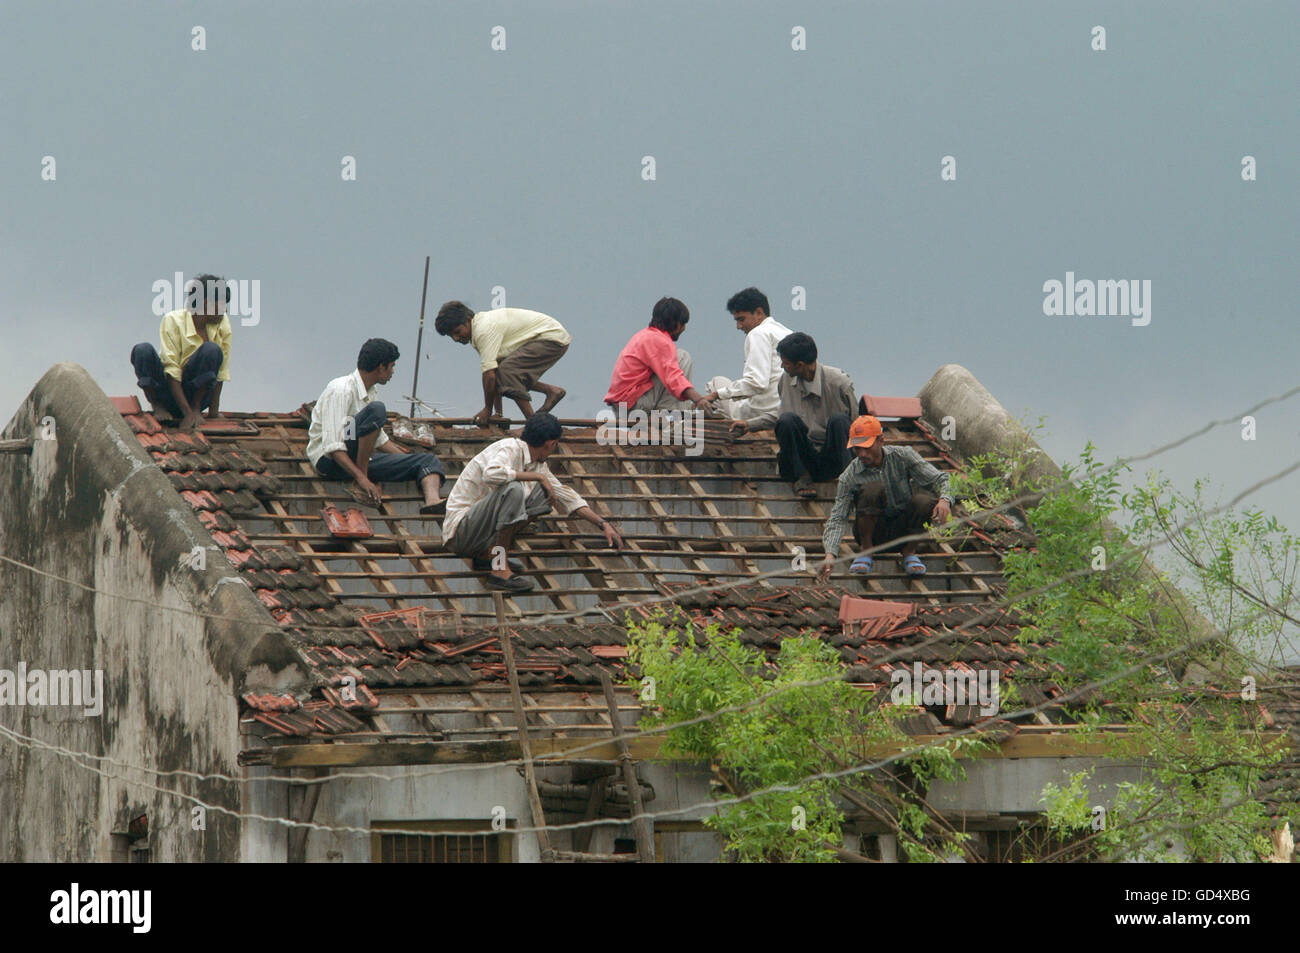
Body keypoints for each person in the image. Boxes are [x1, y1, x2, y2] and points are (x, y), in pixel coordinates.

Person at [442, 413, 625, 593]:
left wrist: (603, 524)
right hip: (462, 532)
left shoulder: (537, 464)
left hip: (479, 536)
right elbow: (491, 474)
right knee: (514, 490)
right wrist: (536, 477)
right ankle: (498, 568)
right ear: (550, 444)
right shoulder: (510, 448)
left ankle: (489, 555)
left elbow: (567, 496)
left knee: (543, 493)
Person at [306, 338, 447, 513]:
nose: (393, 371)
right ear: (381, 367)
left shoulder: (371, 391)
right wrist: (362, 479)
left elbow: (379, 440)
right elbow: (333, 447)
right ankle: (361, 477)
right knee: (377, 410)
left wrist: (406, 460)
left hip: (357, 457)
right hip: (331, 462)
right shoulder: (341, 389)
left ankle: (432, 501)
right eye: (392, 366)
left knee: (427, 460)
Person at [816, 415, 954, 581]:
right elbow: (838, 517)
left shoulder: (902, 456)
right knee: (871, 489)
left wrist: (945, 499)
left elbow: (941, 479)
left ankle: (909, 552)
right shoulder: (849, 476)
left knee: (923, 501)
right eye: (857, 449)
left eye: (867, 447)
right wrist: (830, 554)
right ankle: (867, 551)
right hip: (872, 532)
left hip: (904, 530)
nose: (862, 453)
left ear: (881, 440)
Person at [729, 332, 856, 498]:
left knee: (840, 421)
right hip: (803, 459)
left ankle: (850, 483)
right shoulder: (786, 381)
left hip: (833, 458)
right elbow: (781, 415)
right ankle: (801, 479)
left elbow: (857, 424)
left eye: (786, 363)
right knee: (787, 420)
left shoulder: (839, 382)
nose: (782, 366)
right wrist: (749, 424)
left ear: (800, 365)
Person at [434, 301, 571, 425]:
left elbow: (489, 375)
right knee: (503, 371)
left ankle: (533, 425)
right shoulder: (478, 332)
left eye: (457, 332)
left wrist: (487, 409)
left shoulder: (483, 330)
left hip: (551, 338)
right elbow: (494, 372)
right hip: (547, 338)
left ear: (468, 321)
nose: (456, 338)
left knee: (508, 372)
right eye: (451, 335)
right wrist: (498, 414)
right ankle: (552, 391)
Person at [130, 273, 231, 431]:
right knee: (142, 350)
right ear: (206, 303)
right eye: (222, 304)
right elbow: (172, 370)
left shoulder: (222, 323)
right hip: (169, 393)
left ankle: (196, 407)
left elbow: (221, 371)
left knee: (212, 350)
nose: (225, 310)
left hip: (197, 394)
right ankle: (158, 406)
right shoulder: (173, 320)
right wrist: (186, 414)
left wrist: (212, 412)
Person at [700, 286, 792, 421]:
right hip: (788, 409)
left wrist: (715, 395)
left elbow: (756, 382)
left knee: (716, 382)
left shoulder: (758, 333)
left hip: (761, 411)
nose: (739, 326)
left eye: (741, 319)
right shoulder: (788, 333)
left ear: (759, 313)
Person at [604, 297, 710, 412]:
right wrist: (698, 399)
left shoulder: (646, 335)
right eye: (683, 324)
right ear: (677, 324)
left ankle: (676, 408)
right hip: (632, 406)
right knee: (682, 357)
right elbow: (673, 377)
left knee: (671, 364)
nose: (684, 328)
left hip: (623, 406)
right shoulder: (660, 341)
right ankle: (672, 412)